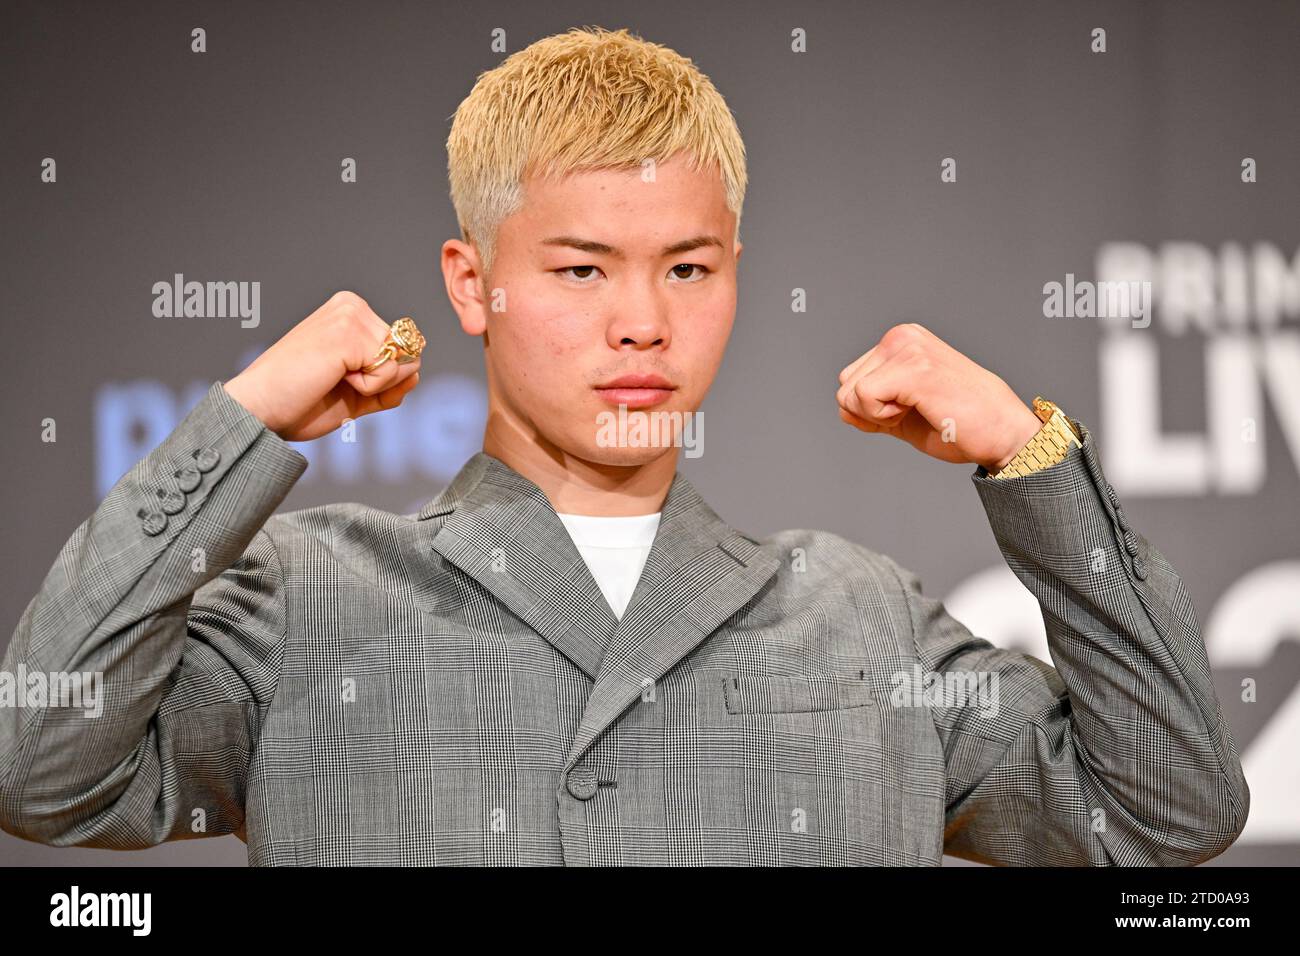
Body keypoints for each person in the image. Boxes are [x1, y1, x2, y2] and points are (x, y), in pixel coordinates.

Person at [0, 26, 1248, 866]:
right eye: (582, 266)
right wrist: (241, 422)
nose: (644, 321)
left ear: (737, 276)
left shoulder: (862, 616)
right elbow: (40, 769)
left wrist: (1032, 458)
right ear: (472, 282)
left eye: (687, 267)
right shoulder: (306, 600)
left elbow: (1164, 808)